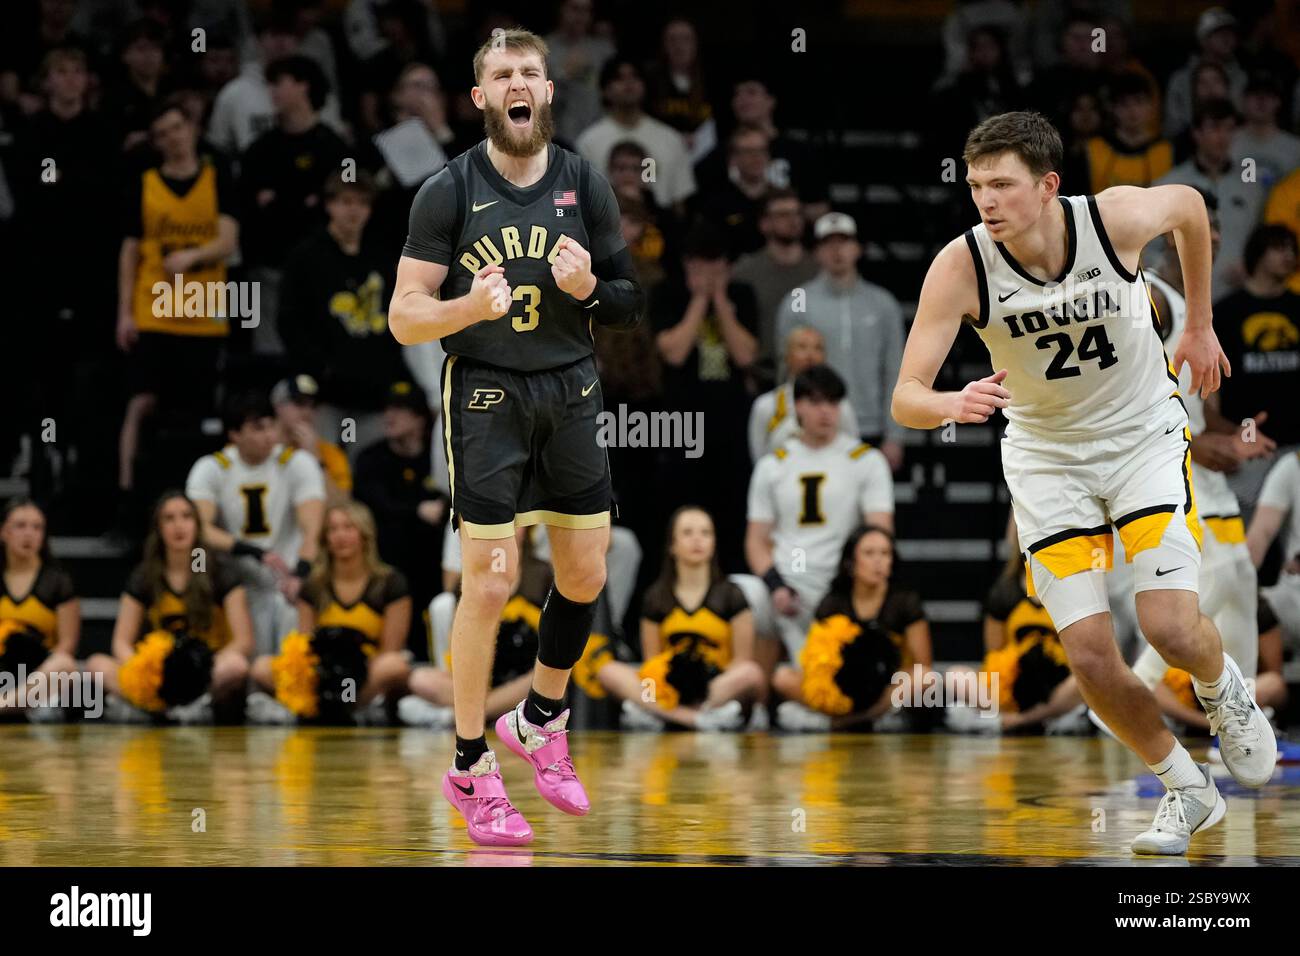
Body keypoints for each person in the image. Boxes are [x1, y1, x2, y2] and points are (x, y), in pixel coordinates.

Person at [891, 110, 1276, 856]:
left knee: (1167, 626)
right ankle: (1186, 789)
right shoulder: (961, 265)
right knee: (1092, 656)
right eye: (975, 186)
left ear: (1048, 185)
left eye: (1002, 185)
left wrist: (1197, 324)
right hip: (1047, 457)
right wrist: (948, 403)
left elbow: (1192, 210)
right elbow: (907, 394)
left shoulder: (1112, 220)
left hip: (1141, 438)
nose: (986, 201)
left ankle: (1221, 685)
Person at [389, 28, 645, 847]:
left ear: (547, 90)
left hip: (571, 389)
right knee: (491, 584)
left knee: (586, 571)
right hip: (488, 397)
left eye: (530, 71)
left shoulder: (584, 182)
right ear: (482, 97)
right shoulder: (447, 190)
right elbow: (402, 316)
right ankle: (470, 763)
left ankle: (539, 720)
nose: (518, 83)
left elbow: (633, 301)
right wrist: (467, 308)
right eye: (502, 74)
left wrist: (590, 288)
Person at [115, 97, 239, 533]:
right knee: (142, 404)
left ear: (192, 127)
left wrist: (192, 255)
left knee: (198, 413)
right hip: (154, 309)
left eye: (176, 128)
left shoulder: (217, 172)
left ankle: (198, 507)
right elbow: (129, 250)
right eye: (161, 133)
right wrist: (124, 313)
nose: (171, 138)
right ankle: (131, 503)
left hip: (203, 312)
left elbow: (227, 240)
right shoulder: (144, 181)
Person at [746, 365, 894, 672]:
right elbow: (756, 540)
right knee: (742, 593)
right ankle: (755, 702)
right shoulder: (773, 465)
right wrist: (775, 585)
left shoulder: (866, 461)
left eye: (833, 402)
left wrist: (852, 582)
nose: (825, 411)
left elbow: (880, 532)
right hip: (787, 580)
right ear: (797, 405)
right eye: (815, 402)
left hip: (843, 581)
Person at [88, 491, 253, 723]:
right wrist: (142, 669)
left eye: (186, 517)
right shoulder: (146, 575)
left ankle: (163, 709)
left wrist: (207, 668)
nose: (179, 526)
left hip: (204, 672)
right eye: (169, 518)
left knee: (236, 665)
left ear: (197, 525)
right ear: (158, 529)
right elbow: (120, 642)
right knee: (97, 665)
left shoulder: (215, 570)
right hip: (159, 674)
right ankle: (165, 709)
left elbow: (243, 641)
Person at [596, 506, 763, 730]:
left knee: (751, 673)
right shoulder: (656, 597)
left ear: (714, 543)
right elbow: (652, 662)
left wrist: (710, 684)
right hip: (669, 687)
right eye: (687, 533)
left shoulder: (732, 595)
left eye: (705, 533)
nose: (697, 540)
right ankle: (692, 718)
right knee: (608, 671)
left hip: (716, 687)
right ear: (672, 546)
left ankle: (662, 714)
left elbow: (741, 660)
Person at [185, 391, 326, 656]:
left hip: (289, 580)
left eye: (271, 425)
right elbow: (199, 528)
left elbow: (312, 528)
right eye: (258, 428)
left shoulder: (296, 462)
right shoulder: (212, 467)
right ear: (235, 434)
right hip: (239, 584)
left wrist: (300, 573)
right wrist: (255, 552)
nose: (269, 435)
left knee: (294, 648)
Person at [277, 170, 406, 446]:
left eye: (362, 203)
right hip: (324, 394)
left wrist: (388, 371)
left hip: (372, 393)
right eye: (346, 202)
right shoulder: (306, 257)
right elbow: (289, 321)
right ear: (329, 205)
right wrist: (319, 368)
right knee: (323, 470)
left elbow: (397, 318)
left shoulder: (381, 259)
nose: (354, 211)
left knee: (367, 475)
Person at [250, 500, 411, 721]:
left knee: (394, 665)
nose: (340, 536)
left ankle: (349, 706)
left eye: (348, 527)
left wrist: (352, 672)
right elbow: (305, 644)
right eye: (333, 529)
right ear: (325, 538)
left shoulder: (390, 582)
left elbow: (390, 649)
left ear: (365, 534)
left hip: (368, 670)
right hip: (324, 670)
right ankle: (324, 704)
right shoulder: (313, 585)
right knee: (261, 667)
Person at [774, 211, 908, 471]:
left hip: (871, 425)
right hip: (813, 425)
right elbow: (786, 368)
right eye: (828, 243)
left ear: (857, 248)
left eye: (844, 241)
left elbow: (896, 369)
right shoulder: (797, 302)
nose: (837, 251)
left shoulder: (883, 304)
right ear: (817, 252)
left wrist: (895, 435)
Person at [772, 524, 931, 732]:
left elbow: (923, 664)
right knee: (782, 677)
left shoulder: (905, 601)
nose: (878, 561)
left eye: (885, 553)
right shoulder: (832, 603)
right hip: (841, 689)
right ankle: (849, 718)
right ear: (851, 562)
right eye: (869, 553)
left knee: (924, 678)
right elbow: (814, 665)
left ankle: (859, 719)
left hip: (888, 687)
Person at [1212, 224, 1300, 513]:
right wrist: (1226, 437)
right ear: (1258, 253)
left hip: (1296, 446)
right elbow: (1210, 388)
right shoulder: (1225, 312)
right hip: (1246, 447)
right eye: (1279, 247)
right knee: (1247, 536)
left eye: (1292, 249)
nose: (1288, 255)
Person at [1156, 100, 1264, 300]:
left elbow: (1260, 238)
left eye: (1229, 129)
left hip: (1236, 297)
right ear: (1196, 133)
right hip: (1180, 297)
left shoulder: (1251, 186)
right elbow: (1148, 248)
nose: (1223, 137)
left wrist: (1253, 265)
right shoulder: (1169, 185)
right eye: (1214, 128)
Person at [574, 56, 696, 214]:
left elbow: (680, 204)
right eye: (619, 78)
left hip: (661, 230)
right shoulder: (588, 142)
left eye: (635, 77)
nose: (628, 83)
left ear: (645, 86)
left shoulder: (671, 139)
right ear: (605, 90)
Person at [0, 498, 79, 720]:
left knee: (65, 665)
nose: (29, 534)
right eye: (20, 526)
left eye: (36, 527)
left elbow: (67, 646)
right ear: (4, 532)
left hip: (38, 677)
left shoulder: (57, 581)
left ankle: (7, 705)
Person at [731, 189, 819, 366]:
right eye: (783, 214)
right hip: (761, 371)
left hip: (811, 372)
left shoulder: (819, 270)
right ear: (764, 223)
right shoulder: (744, 273)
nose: (793, 220)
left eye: (797, 213)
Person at [748, 325, 858, 463]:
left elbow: (853, 450)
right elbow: (759, 459)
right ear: (787, 356)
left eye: (818, 348)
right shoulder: (766, 405)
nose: (810, 355)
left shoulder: (840, 405)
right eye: (802, 347)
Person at [1084, 71, 1171, 193]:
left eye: (1139, 102)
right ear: (1113, 108)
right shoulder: (1093, 148)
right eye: (1124, 104)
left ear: (1152, 106)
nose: (1132, 110)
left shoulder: (1166, 150)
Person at [271, 374, 352, 501]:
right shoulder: (261, 447)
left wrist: (316, 458)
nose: (307, 412)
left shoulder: (330, 453)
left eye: (313, 406)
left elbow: (341, 503)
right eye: (299, 403)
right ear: (278, 406)